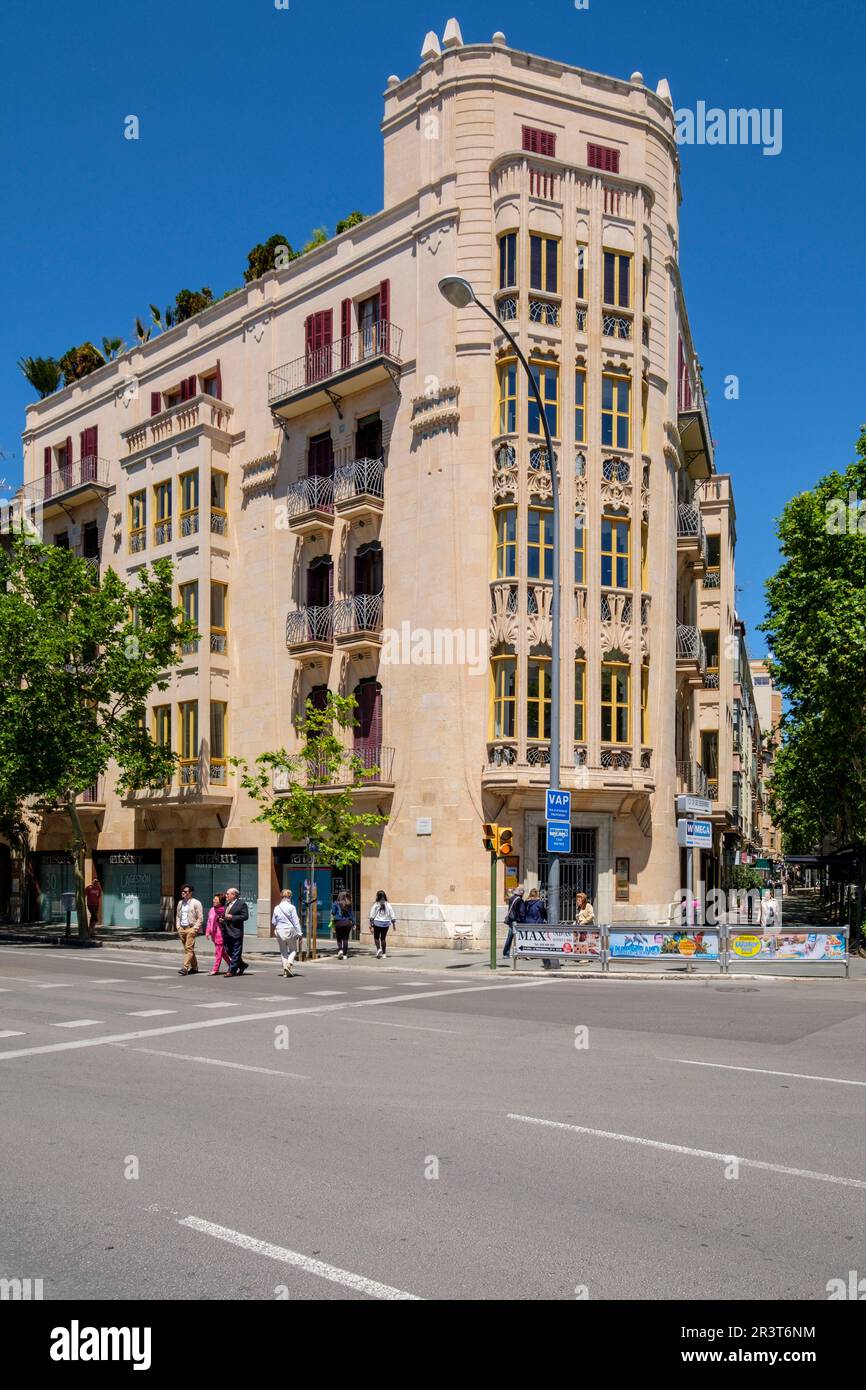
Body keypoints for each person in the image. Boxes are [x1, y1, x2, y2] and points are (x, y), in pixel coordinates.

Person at [272, 888, 302, 977]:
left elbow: (273, 921)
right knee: (293, 950)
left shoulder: (276, 907)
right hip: (289, 930)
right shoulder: (292, 907)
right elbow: (296, 921)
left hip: (279, 930)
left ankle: (285, 970)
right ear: (290, 897)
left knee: (283, 951)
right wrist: (300, 933)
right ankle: (289, 963)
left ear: (281, 896)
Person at [175, 884, 204, 975]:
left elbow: (200, 917)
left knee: (188, 948)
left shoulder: (196, 903)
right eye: (182, 891)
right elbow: (178, 915)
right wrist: (178, 926)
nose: (183, 893)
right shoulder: (180, 903)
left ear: (190, 893)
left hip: (191, 928)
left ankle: (185, 968)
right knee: (188, 949)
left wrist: (195, 928)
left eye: (186, 892)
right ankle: (195, 968)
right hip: (182, 929)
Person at [223, 887, 249, 976]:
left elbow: (245, 916)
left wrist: (232, 917)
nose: (226, 895)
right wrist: (221, 919)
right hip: (226, 932)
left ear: (234, 895)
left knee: (236, 952)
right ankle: (242, 965)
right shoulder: (227, 904)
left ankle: (231, 971)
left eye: (227, 894)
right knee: (228, 950)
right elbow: (224, 916)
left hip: (236, 931)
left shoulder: (241, 904)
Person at [205, 893, 229, 975]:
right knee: (222, 953)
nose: (214, 901)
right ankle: (233, 965)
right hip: (214, 935)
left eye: (216, 900)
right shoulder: (212, 909)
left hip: (220, 935)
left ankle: (215, 969)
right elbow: (209, 921)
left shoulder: (223, 910)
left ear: (220, 901)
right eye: (214, 899)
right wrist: (207, 931)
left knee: (218, 953)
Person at [369, 890, 396, 958]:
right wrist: (393, 925)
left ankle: (378, 949)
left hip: (377, 923)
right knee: (383, 938)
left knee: (376, 937)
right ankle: (384, 954)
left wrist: (370, 924)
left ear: (378, 896)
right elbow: (392, 914)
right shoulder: (388, 904)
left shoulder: (376, 904)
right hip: (386, 923)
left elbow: (372, 915)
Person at [502, 885, 525, 960]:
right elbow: (522, 912)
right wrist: (523, 920)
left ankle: (506, 953)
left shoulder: (512, 898)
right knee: (519, 937)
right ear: (521, 893)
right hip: (517, 920)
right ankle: (518, 953)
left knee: (510, 937)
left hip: (511, 920)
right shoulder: (520, 900)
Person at [331, 890, 355, 960]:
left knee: (339, 938)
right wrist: (354, 924)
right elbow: (351, 915)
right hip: (347, 923)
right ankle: (345, 955)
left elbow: (333, 913)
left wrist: (333, 924)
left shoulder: (335, 903)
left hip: (339, 922)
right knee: (345, 939)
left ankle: (340, 950)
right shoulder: (348, 904)